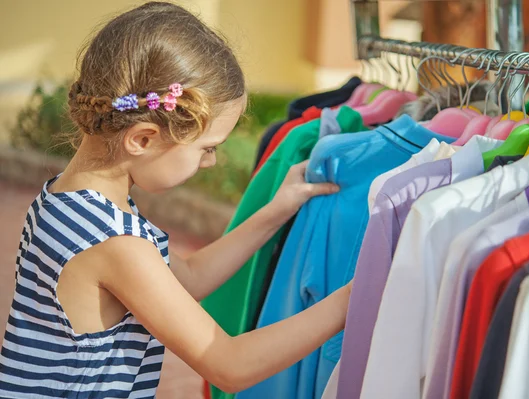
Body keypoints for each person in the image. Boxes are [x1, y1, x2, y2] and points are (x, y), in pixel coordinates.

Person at [0, 3, 352, 398]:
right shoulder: (114, 244)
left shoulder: (63, 201)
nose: (211, 162)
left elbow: (189, 279)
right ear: (143, 138)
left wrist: (275, 211)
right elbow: (230, 365)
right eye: (206, 148)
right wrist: (353, 296)